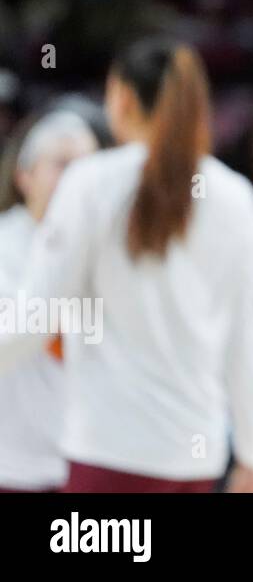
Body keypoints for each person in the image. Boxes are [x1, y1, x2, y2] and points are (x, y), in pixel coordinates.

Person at [0, 37, 253, 492]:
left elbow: (37, 319)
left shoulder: (92, 184)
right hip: (197, 457)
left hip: (109, 453)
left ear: (122, 98)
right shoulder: (236, 196)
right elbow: (245, 339)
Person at [0, 109, 99, 492]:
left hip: (79, 464)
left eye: (88, 167)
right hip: (10, 464)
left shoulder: (105, 256)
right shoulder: (5, 246)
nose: (78, 179)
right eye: (63, 165)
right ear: (24, 176)